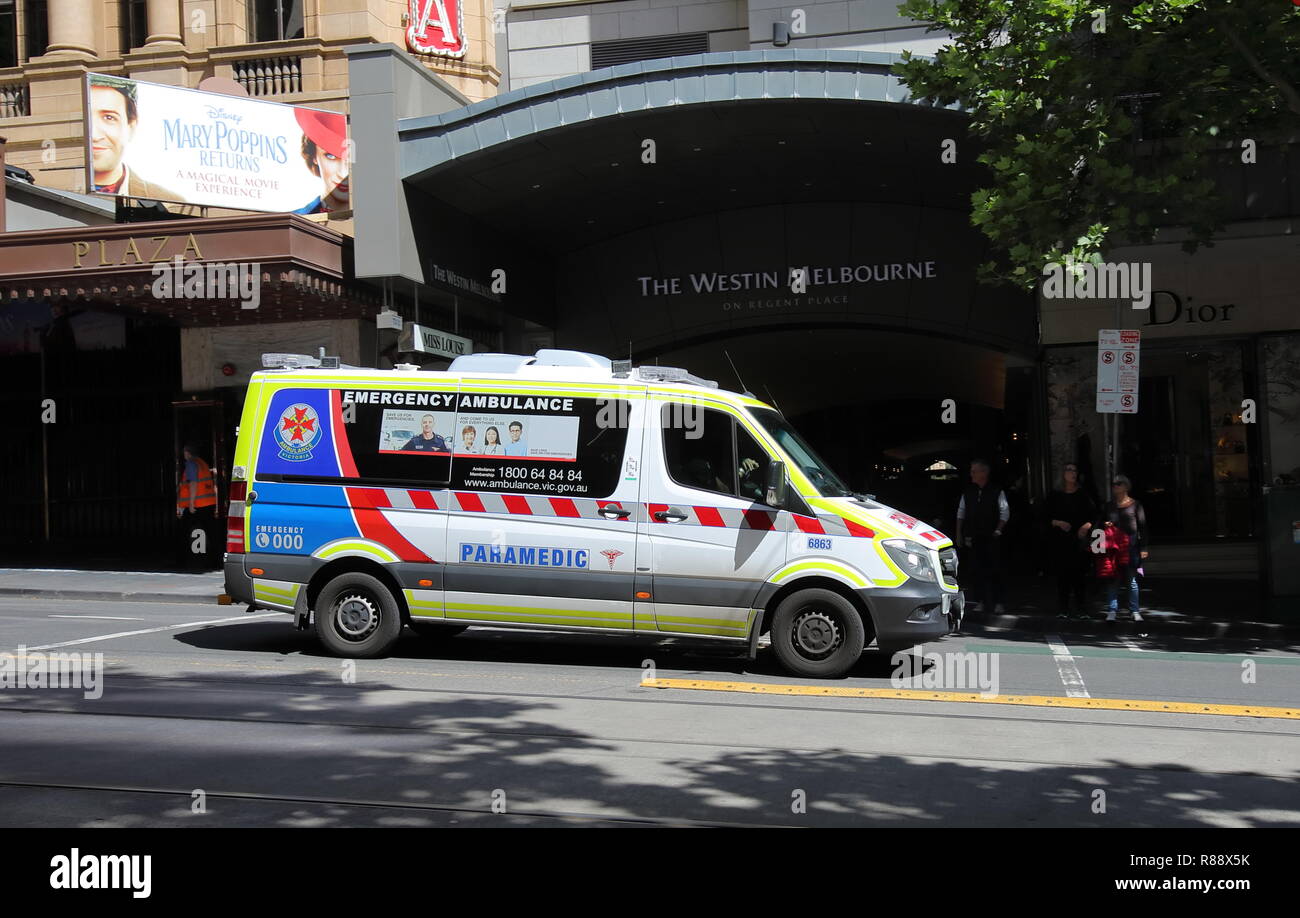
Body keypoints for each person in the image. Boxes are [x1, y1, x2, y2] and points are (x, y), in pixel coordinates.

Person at [88, 75, 181, 200]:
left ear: (131, 126)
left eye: (109, 117)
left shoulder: (171, 202)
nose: (95, 135)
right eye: (86, 117)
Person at [954, 459, 1009, 613]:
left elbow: (1004, 512)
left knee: (995, 569)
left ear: (984, 473)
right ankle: (980, 600)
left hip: (992, 536)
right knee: (977, 570)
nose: (971, 474)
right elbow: (961, 512)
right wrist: (959, 533)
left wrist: (998, 530)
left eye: (974, 471)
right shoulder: (968, 491)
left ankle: (999, 602)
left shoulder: (996, 490)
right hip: (974, 536)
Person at [1092, 474, 1149, 623]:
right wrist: (1106, 525)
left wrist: (1144, 547)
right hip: (1114, 548)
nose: (1115, 486)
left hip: (1131, 546)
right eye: (1113, 484)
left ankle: (1135, 610)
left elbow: (1142, 527)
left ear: (1126, 486)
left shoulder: (1136, 505)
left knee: (1132, 580)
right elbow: (1100, 524)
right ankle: (1112, 610)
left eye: (1118, 484)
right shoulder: (1108, 506)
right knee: (1113, 579)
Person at [1045, 463, 1096, 619]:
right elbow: (1044, 517)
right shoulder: (1055, 495)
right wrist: (1059, 523)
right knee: (1062, 575)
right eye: (1069, 470)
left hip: (1079, 540)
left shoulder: (1083, 494)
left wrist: (1086, 526)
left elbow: (1095, 514)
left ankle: (1081, 609)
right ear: (1063, 474)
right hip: (1061, 541)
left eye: (1075, 470)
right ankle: (1063, 609)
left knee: (1079, 575)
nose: (1073, 473)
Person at [292, 107, 351, 214]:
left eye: (350, 159)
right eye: (331, 156)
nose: (343, 173)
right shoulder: (295, 218)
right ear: (314, 156)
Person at [176, 444, 217, 570]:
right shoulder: (202, 463)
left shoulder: (191, 464)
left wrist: (192, 503)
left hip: (197, 505)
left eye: (184, 452)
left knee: (185, 532)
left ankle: (186, 560)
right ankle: (213, 560)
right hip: (208, 503)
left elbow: (193, 483)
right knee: (210, 532)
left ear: (187, 453)